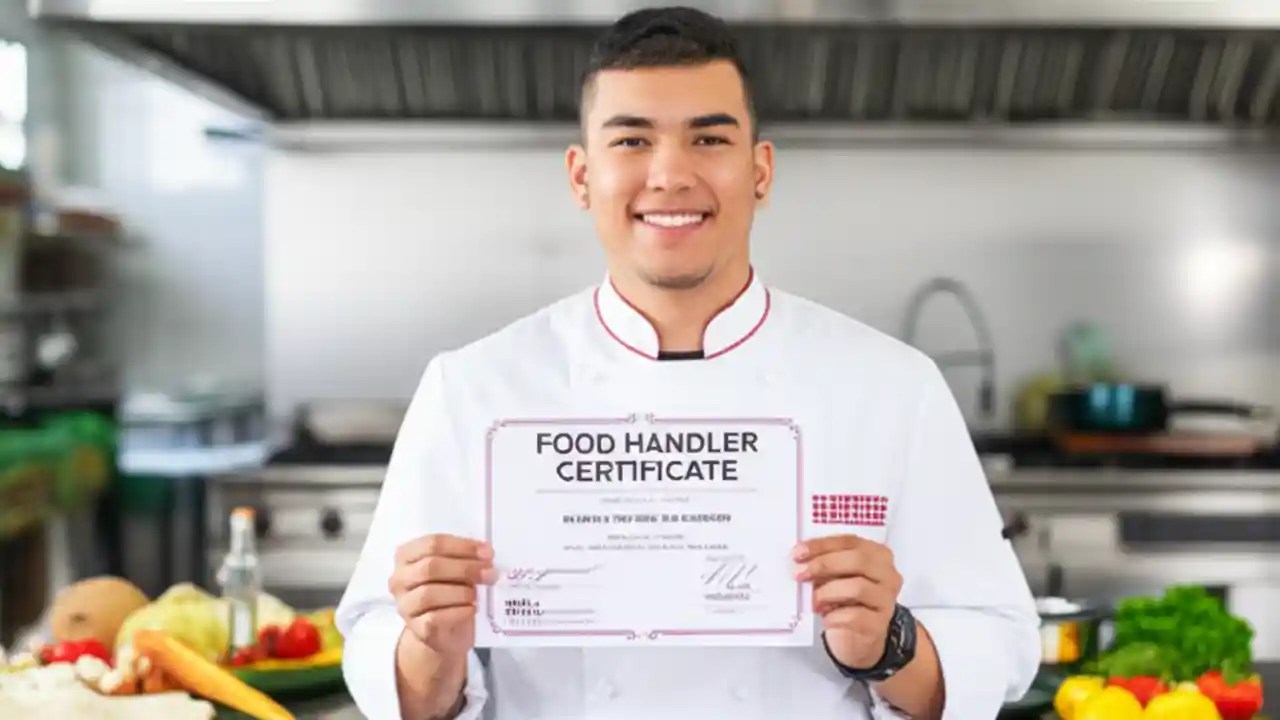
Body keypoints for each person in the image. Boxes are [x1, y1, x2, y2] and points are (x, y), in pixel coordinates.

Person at [335, 6, 1041, 719]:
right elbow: (383, 654)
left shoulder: (892, 388)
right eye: (632, 140)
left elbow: (999, 640)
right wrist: (433, 646)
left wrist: (890, 645)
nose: (670, 175)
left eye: (708, 138)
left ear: (760, 172)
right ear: (582, 177)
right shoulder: (472, 391)